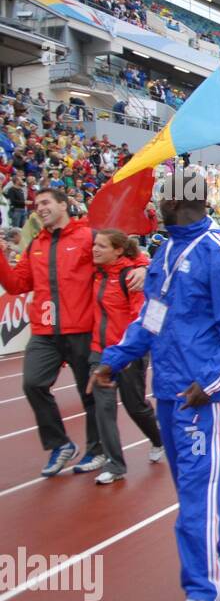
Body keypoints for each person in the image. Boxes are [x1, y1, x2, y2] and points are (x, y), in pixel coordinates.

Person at [92, 167, 220, 601]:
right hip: (167, 389)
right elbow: (151, 317)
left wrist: (210, 382)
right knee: (194, 483)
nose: (153, 203)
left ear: (177, 201)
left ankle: (203, 588)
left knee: (194, 493)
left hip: (200, 396)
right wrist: (115, 359)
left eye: (160, 195)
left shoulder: (219, 249)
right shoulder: (167, 251)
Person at [0, 187, 145, 477]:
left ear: (64, 205)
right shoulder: (35, 245)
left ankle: (96, 450)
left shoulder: (87, 236)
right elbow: (17, 285)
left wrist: (143, 265)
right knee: (32, 383)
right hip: (44, 331)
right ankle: (60, 443)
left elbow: (123, 250)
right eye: (36, 203)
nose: (39, 207)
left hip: (81, 329)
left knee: (88, 394)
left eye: (46, 202)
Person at [85, 229, 164, 484]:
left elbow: (139, 318)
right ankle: (115, 464)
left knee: (135, 406)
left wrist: (142, 263)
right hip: (100, 351)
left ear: (118, 250)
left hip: (129, 352)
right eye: (94, 245)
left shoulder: (131, 278)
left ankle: (158, 439)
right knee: (103, 408)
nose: (94, 249)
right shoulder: (95, 273)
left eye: (101, 246)